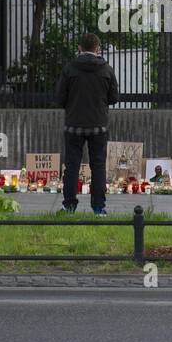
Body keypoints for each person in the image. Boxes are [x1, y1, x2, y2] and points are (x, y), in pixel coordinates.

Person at [54, 33, 119, 215]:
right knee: (98, 166)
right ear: (97, 48)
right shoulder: (106, 70)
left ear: (79, 48)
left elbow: (59, 98)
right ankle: (98, 207)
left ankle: (69, 205)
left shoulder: (69, 69)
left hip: (73, 125)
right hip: (98, 125)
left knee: (72, 165)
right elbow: (114, 98)